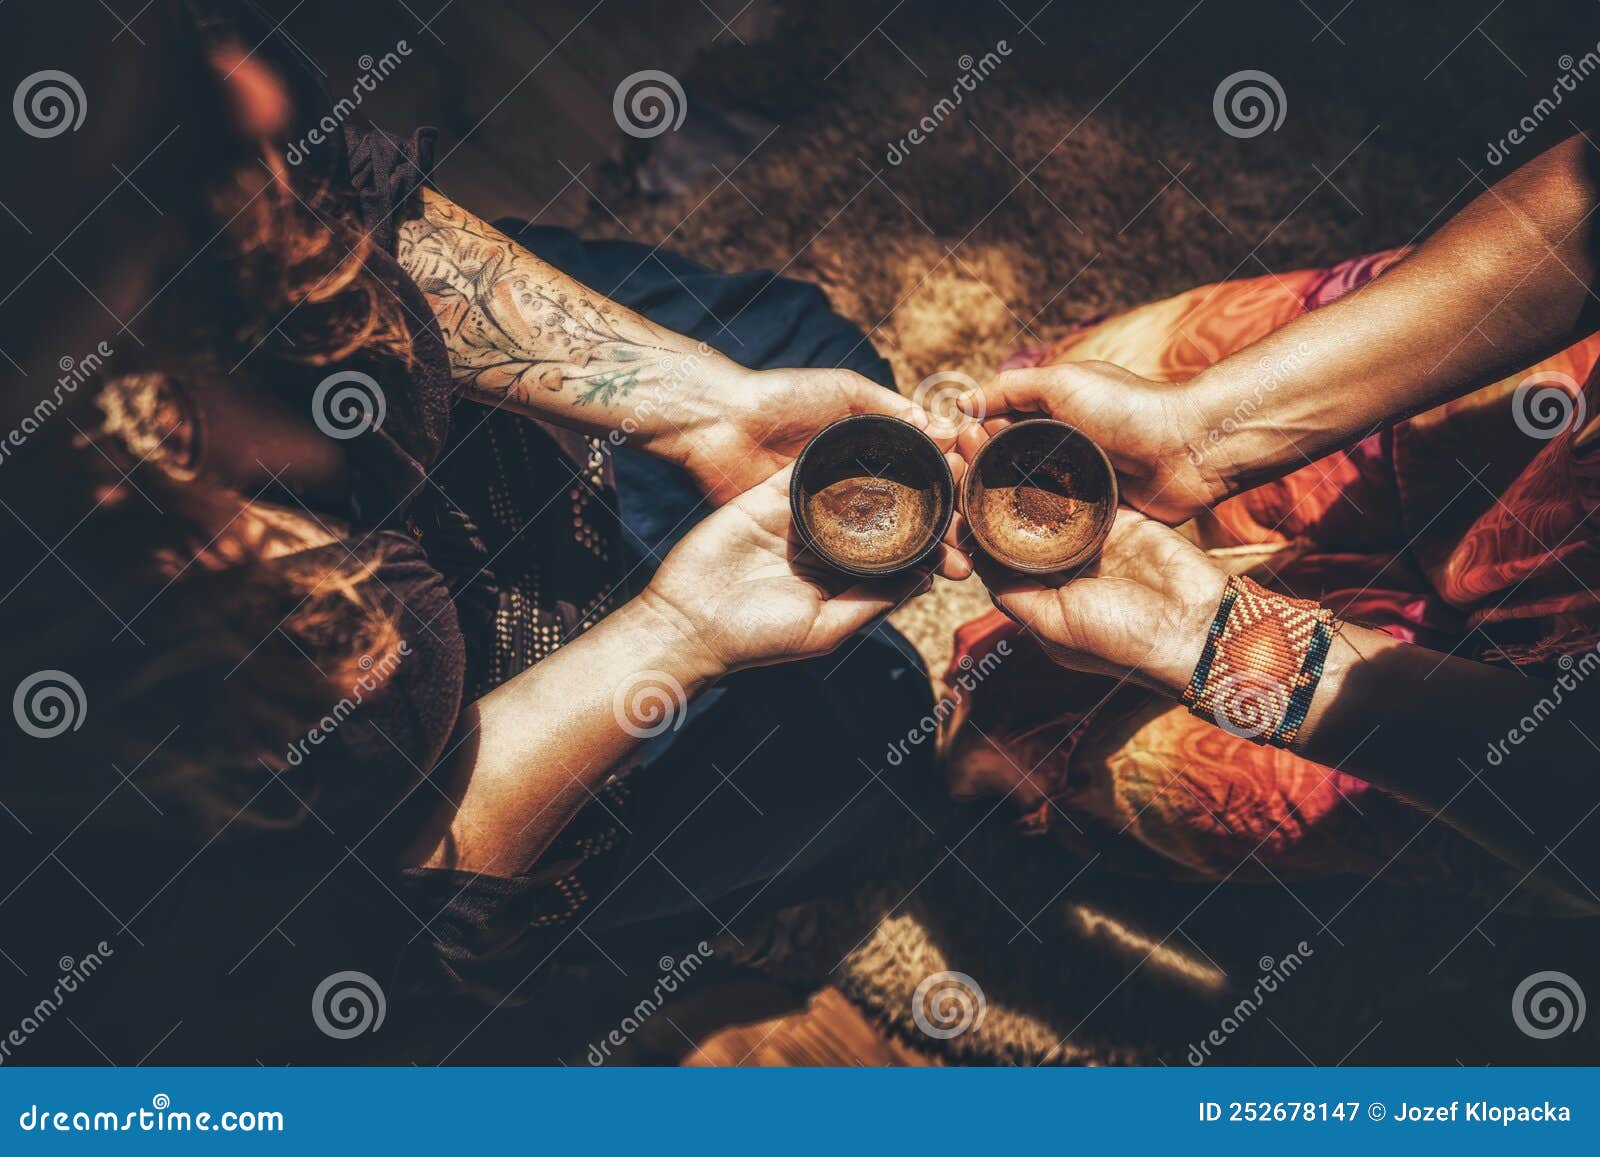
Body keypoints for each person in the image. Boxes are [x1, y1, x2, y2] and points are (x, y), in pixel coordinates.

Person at [0, 1, 966, 1061]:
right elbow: (371, 967)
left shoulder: (224, 127)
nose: (257, 88)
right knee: (879, 719)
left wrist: (703, 405)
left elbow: (353, 194)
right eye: (163, 129)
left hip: (501, 464)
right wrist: (677, 632)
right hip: (484, 735)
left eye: (182, 52)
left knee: (820, 347)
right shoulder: (87, 769)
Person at [945, 134, 1600, 913]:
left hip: (1517, 717)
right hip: (1532, 408)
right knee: (1101, 374)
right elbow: (1577, 206)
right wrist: (1193, 434)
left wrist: (1205, 635)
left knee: (1055, 762)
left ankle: (1052, 798)